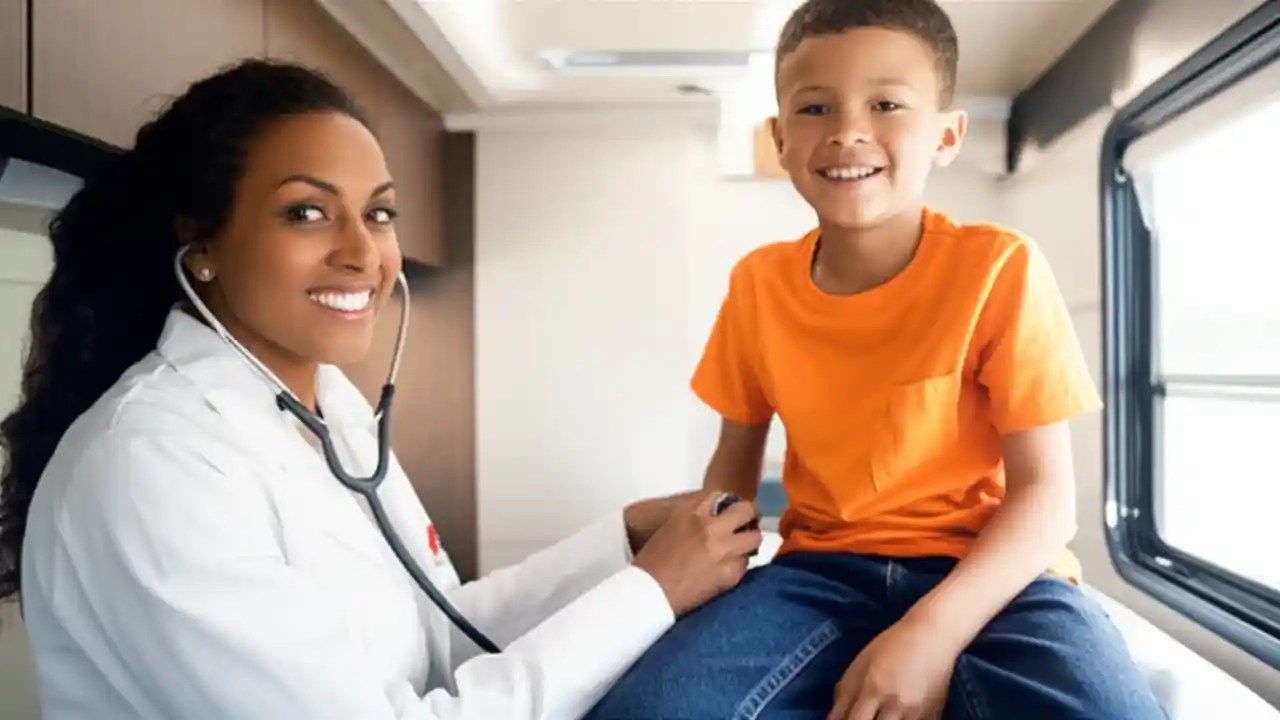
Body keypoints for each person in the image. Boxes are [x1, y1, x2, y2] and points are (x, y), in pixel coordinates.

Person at [0, 59, 763, 719]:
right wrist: (652, 592)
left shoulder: (329, 409)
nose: (363, 251)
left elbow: (441, 635)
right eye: (307, 212)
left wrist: (621, 545)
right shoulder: (152, 464)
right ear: (202, 243)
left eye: (379, 213)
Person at [588, 1, 1167, 719]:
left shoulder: (999, 268)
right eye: (814, 107)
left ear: (947, 135)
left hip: (998, 577)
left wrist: (930, 633)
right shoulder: (757, 285)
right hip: (815, 575)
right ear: (779, 138)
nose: (847, 130)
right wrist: (703, 598)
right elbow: (732, 468)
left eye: (886, 103)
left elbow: (1046, 503)